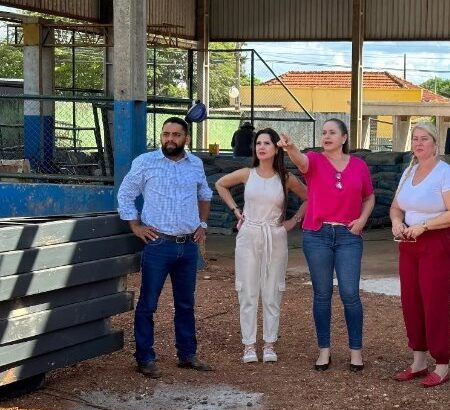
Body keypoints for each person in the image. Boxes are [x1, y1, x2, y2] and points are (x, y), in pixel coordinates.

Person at [117, 117, 214, 378]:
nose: (170, 139)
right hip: (158, 244)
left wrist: (202, 223)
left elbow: (205, 194)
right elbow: (125, 194)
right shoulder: (145, 163)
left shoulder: (195, 164)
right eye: (166, 134)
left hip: (188, 245)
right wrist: (135, 226)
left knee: (186, 303)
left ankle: (187, 354)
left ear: (187, 138)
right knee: (148, 303)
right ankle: (145, 358)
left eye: (176, 135)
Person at [278, 118, 374, 372]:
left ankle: (356, 351)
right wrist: (290, 148)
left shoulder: (359, 166)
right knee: (322, 294)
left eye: (332, 132)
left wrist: (362, 220)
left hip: (349, 236)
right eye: (323, 133)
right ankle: (324, 351)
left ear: (344, 138)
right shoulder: (315, 160)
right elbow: (301, 161)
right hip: (317, 235)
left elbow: (369, 197)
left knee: (350, 294)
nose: (327, 136)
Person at [214, 128, 307, 363]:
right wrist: (237, 211)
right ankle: (248, 345)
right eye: (258, 143)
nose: (261, 147)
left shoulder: (285, 178)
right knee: (247, 289)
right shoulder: (247, 173)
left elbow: (309, 197)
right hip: (249, 234)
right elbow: (220, 184)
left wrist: (293, 221)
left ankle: (269, 344)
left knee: (273, 289)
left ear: (277, 148)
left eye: (267, 143)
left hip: (275, 235)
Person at [389, 122, 450, 388]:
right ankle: (418, 360)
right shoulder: (409, 171)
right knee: (411, 300)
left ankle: (442, 363)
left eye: (424, 139)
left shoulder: (447, 173)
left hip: (436, 242)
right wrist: (397, 223)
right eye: (415, 139)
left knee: (434, 301)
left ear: (435, 143)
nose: (419, 143)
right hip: (408, 243)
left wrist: (424, 226)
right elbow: (396, 207)